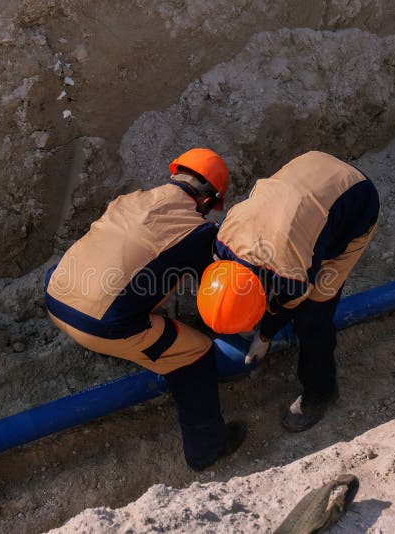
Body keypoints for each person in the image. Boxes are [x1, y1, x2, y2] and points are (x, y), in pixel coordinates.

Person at [45, 148, 246, 471]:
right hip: (103, 326)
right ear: (209, 202)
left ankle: (111, 348)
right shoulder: (199, 231)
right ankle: (207, 449)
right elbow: (216, 292)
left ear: (175, 175)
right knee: (194, 354)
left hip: (55, 296)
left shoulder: (128, 200)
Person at [197, 151, 380, 432]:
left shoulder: (291, 276)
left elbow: (288, 304)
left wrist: (264, 335)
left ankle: (321, 392)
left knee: (313, 318)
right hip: (310, 168)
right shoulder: (223, 241)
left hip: (354, 200)